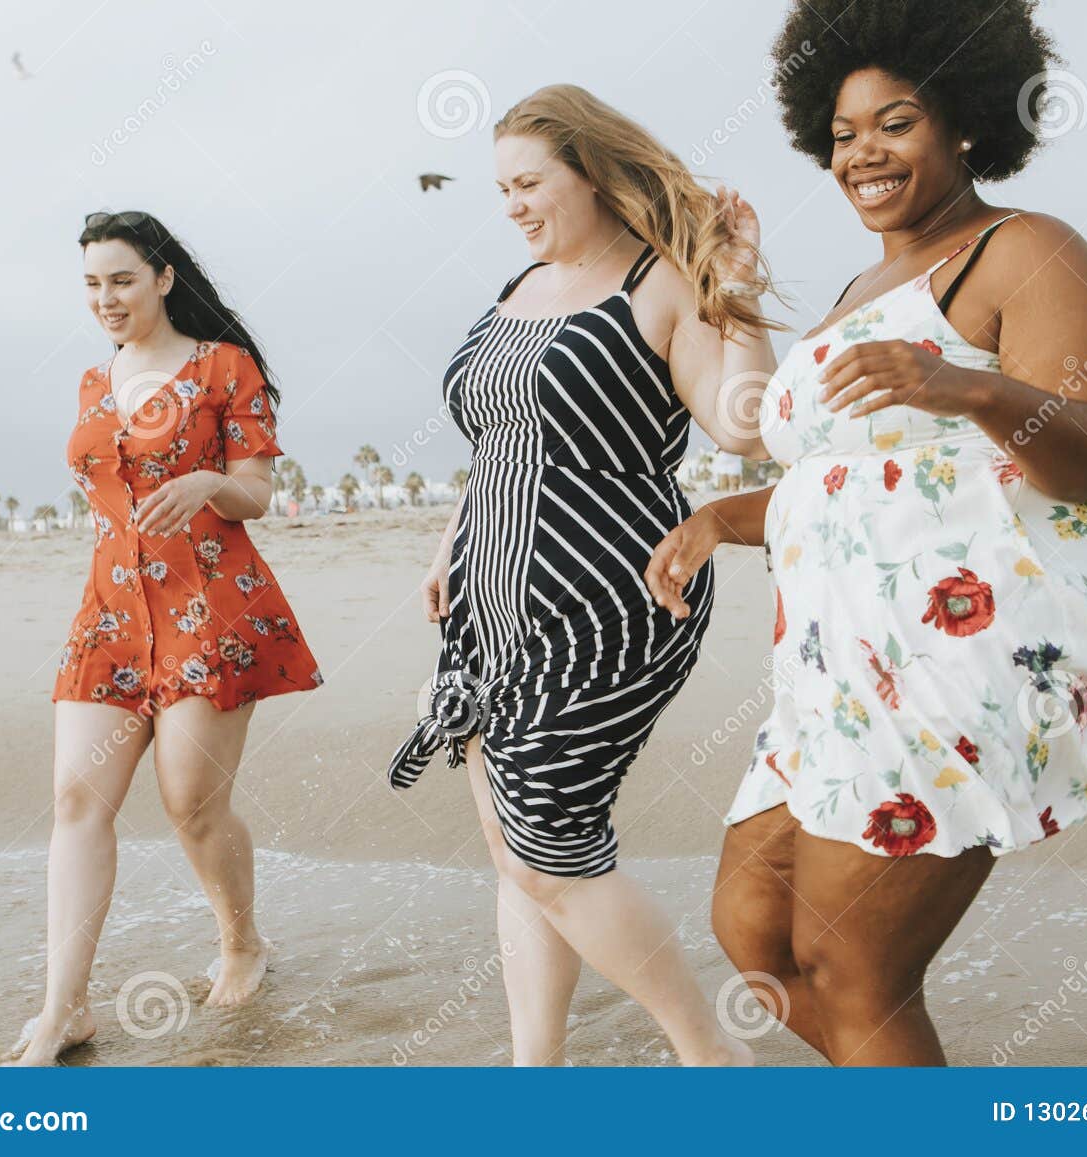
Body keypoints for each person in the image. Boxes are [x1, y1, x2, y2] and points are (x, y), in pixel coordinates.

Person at [644, 0, 1087, 1067]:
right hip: (831, 672)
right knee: (753, 934)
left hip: (949, 659)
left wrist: (967, 388)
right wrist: (722, 515)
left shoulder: (1022, 247)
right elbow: (854, 486)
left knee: (856, 968)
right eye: (844, 133)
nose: (864, 153)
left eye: (894, 123)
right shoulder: (858, 290)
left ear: (964, 124)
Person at [389, 84, 780, 1065]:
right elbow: (501, 438)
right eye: (501, 188)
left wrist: (734, 282)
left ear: (593, 172)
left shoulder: (661, 282)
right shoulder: (519, 287)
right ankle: (538, 1069)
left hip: (611, 598)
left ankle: (710, 1054)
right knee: (508, 845)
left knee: (550, 847)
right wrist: (451, 541)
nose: (513, 204)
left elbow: (742, 423)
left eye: (529, 182)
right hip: (490, 604)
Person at [7, 211, 323, 1065]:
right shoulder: (91, 380)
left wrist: (207, 481)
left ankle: (241, 940)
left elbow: (256, 491)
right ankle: (62, 1009)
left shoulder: (224, 366)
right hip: (110, 613)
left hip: (210, 606)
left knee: (190, 802)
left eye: (121, 279)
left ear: (163, 278)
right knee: (77, 801)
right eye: (92, 283)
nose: (105, 298)